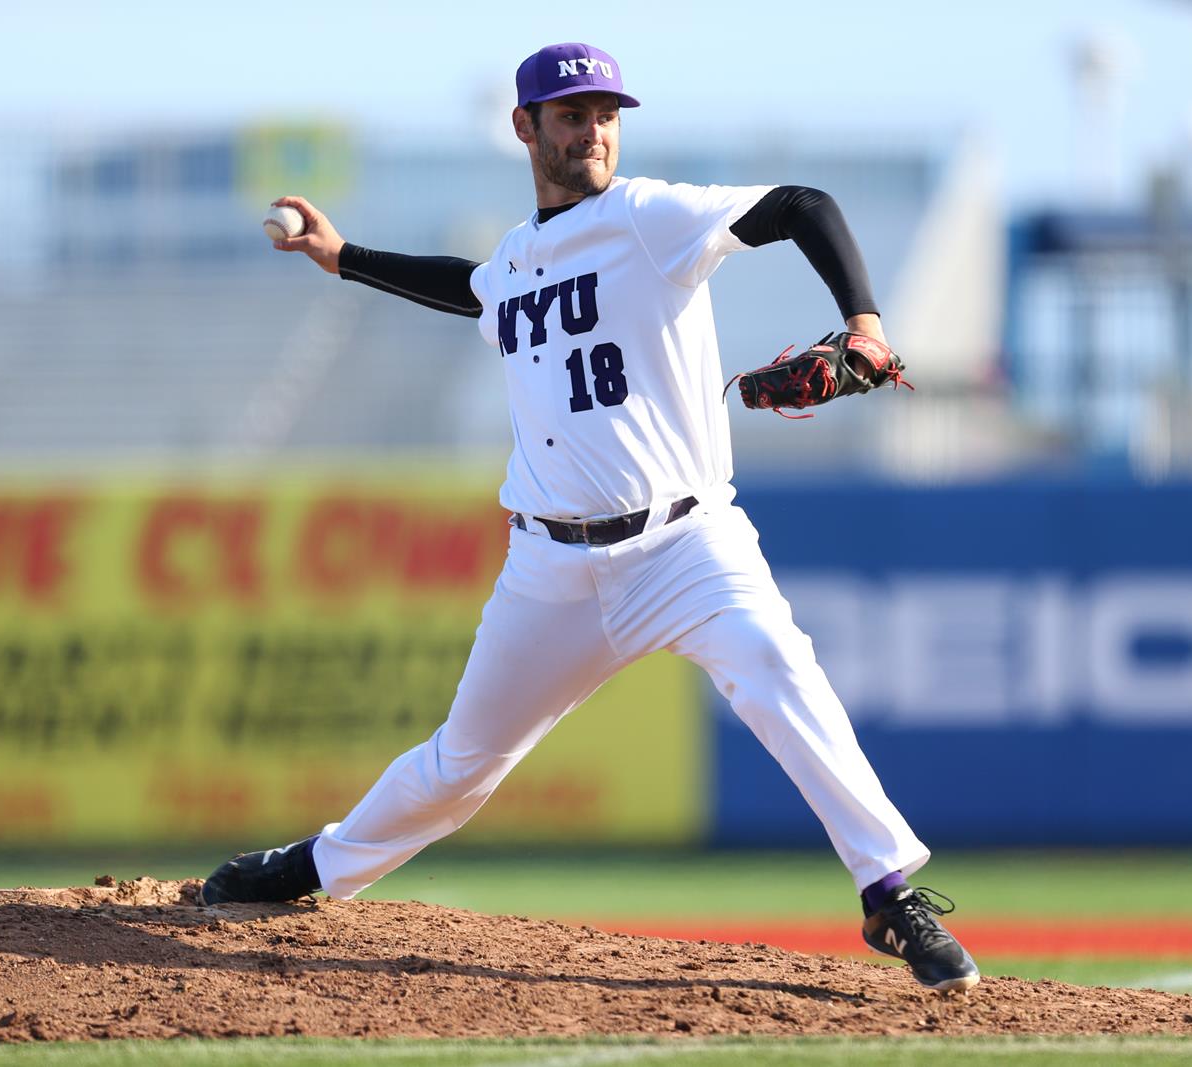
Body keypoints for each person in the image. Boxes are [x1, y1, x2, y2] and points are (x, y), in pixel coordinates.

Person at [200, 41, 980, 994]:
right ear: (525, 128)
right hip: (551, 570)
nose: (594, 131)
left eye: (606, 114)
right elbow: (471, 287)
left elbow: (801, 205)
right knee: (461, 764)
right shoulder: (517, 260)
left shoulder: (648, 217)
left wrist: (864, 323)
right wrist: (343, 257)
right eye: (572, 115)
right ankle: (317, 866)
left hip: (686, 544)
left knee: (778, 669)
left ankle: (889, 891)